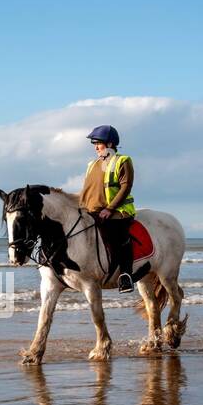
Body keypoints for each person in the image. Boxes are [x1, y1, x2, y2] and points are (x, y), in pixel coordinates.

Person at [80, 124, 137, 291]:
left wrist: (110, 209)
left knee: (119, 238)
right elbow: (88, 190)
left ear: (110, 144)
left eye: (99, 143)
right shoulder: (92, 164)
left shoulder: (123, 161)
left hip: (117, 212)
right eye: (94, 144)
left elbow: (125, 187)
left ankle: (126, 276)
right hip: (92, 211)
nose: (96, 147)